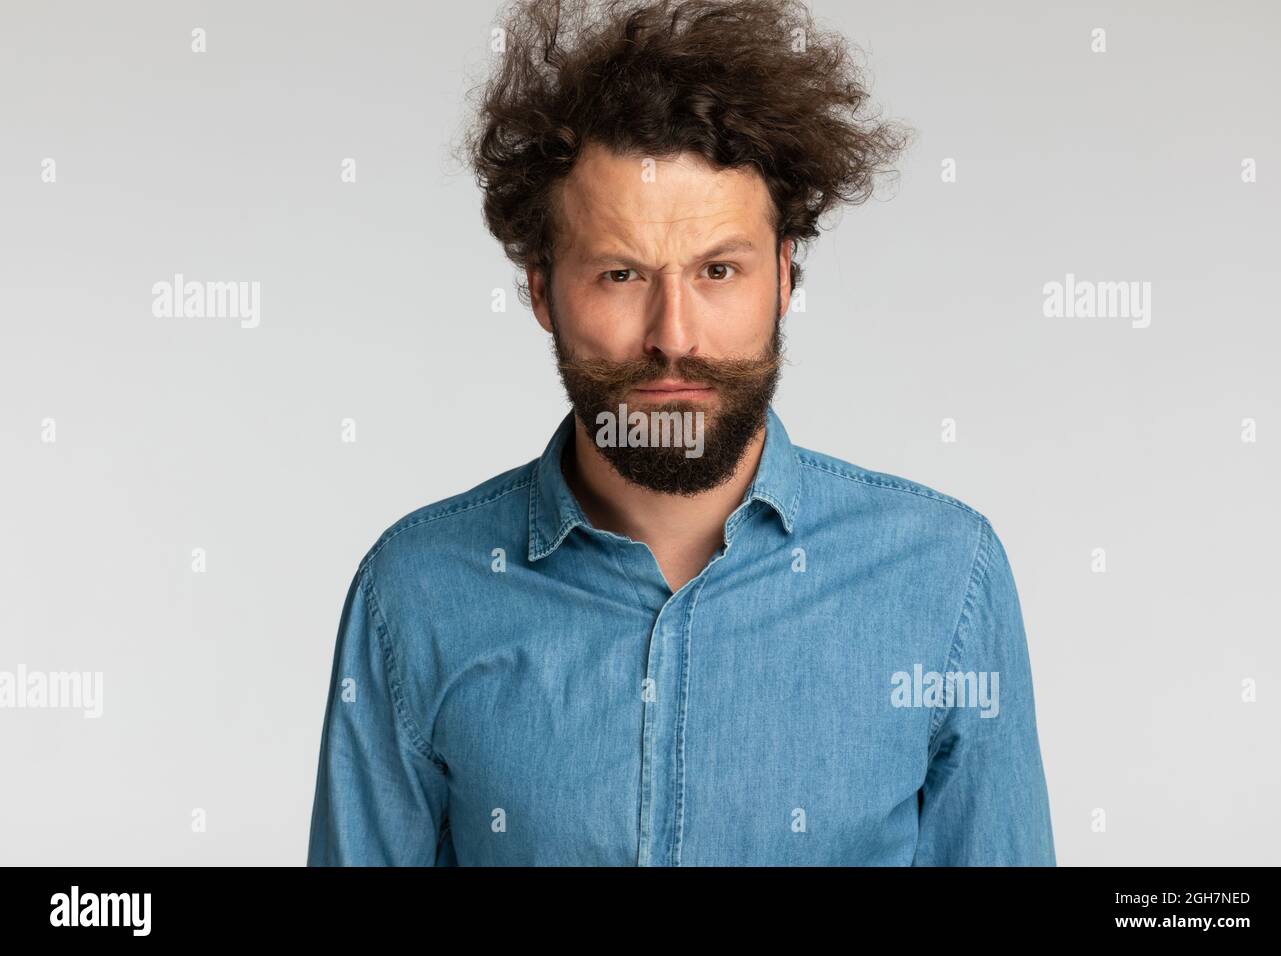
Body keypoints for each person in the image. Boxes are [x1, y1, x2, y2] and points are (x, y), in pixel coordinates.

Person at [307, 0, 1055, 866]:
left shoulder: (946, 579)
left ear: (784, 277)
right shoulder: (415, 592)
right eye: (621, 274)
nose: (674, 335)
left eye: (718, 270)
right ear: (542, 288)